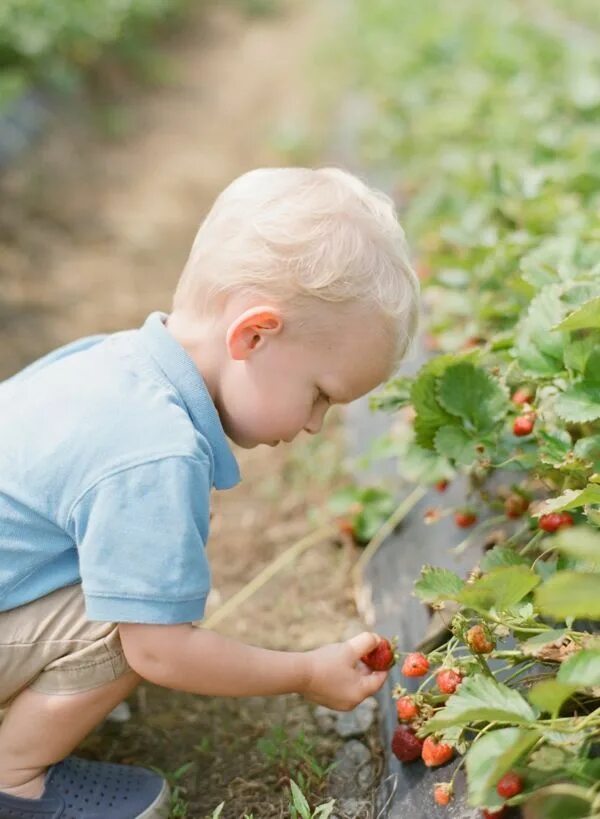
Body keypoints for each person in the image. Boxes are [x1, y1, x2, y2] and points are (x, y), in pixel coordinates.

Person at [0, 166, 419, 818]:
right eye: (320, 395)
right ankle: (14, 777)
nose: (315, 424)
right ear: (254, 335)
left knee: (143, 588)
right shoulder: (155, 447)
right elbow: (159, 650)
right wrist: (304, 672)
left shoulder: (112, 363)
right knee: (140, 618)